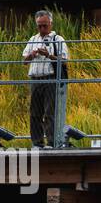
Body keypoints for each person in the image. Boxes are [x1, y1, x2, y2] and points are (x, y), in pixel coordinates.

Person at [21, 10, 69, 148]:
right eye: (39, 26)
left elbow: (64, 60)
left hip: (50, 79)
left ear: (51, 24)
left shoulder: (58, 39)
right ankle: (37, 142)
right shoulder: (32, 39)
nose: (42, 29)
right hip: (35, 79)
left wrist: (48, 55)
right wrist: (32, 55)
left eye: (45, 26)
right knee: (34, 113)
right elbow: (24, 61)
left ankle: (52, 142)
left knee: (50, 112)